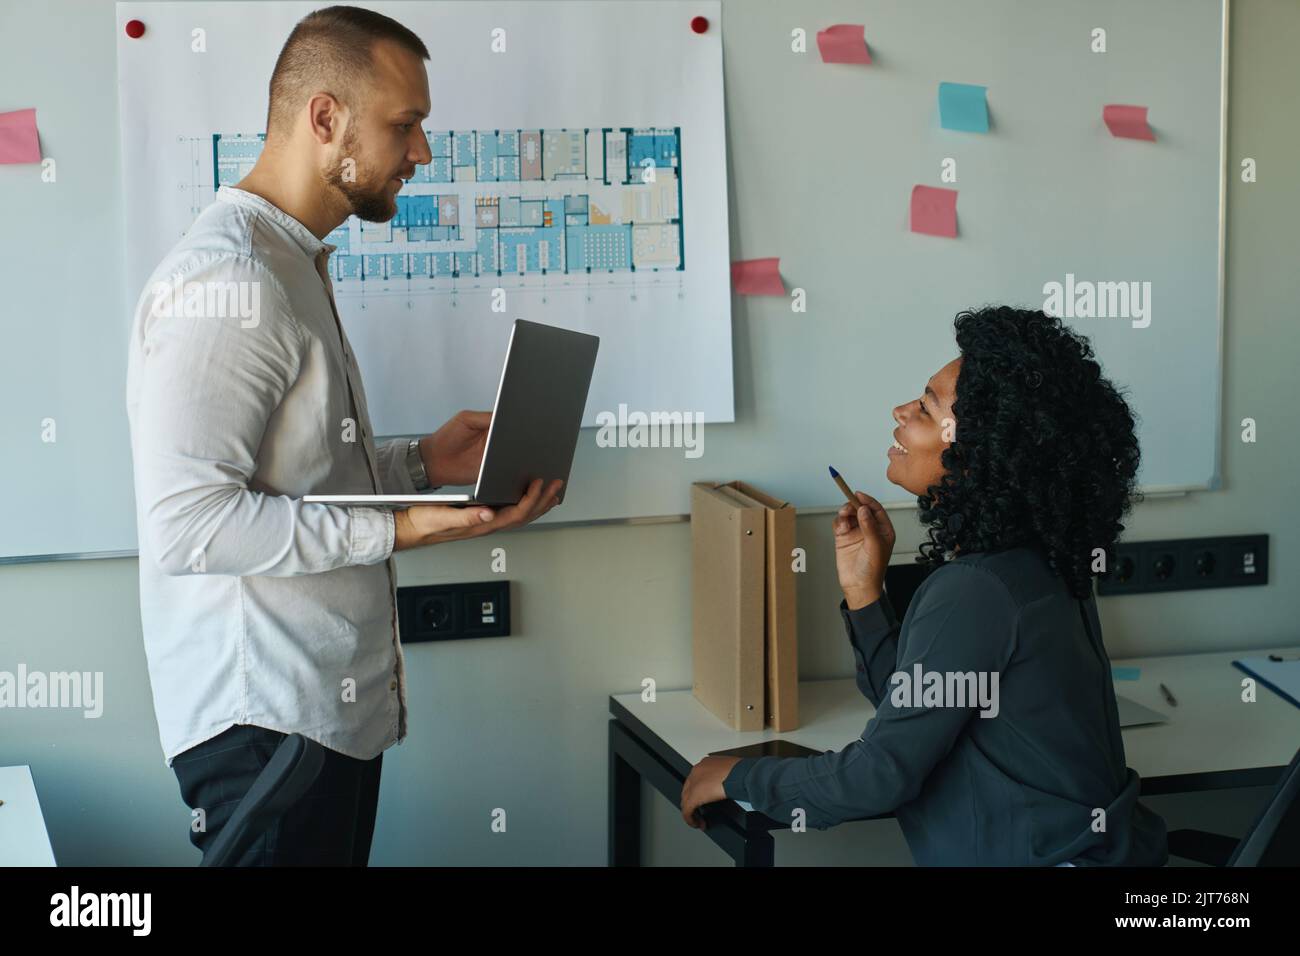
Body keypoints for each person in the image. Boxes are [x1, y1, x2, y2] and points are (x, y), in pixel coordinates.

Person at [125, 5, 562, 865]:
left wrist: (423, 462)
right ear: (326, 120)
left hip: (317, 719)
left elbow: (295, 474)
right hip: (266, 726)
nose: (423, 153)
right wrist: (400, 526)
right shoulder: (232, 279)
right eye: (407, 125)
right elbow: (188, 525)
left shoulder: (290, 261)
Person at [680, 306, 1169, 866]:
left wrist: (740, 775)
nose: (901, 411)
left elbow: (876, 778)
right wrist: (866, 592)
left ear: (978, 449)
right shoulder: (1037, 564)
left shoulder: (977, 590)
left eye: (926, 405)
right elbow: (917, 708)